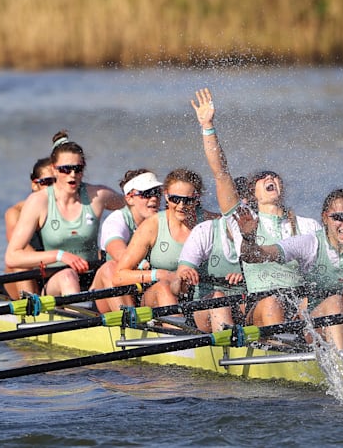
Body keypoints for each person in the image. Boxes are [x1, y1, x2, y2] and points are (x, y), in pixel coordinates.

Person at [191, 87, 320, 328]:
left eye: (274, 175)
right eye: (262, 178)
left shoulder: (308, 225)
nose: (269, 177)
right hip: (261, 306)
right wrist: (208, 127)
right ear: (253, 193)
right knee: (272, 303)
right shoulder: (242, 218)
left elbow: (319, 274)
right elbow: (221, 174)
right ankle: (281, 346)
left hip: (300, 305)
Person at [237, 188, 343, 349]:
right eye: (339, 217)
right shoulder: (310, 243)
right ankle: (341, 360)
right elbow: (254, 256)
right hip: (315, 325)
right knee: (335, 302)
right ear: (325, 218)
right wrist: (248, 238)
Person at [5, 131, 125, 297]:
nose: (72, 175)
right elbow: (12, 257)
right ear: (54, 169)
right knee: (68, 277)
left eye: (77, 169)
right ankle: (76, 312)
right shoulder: (38, 201)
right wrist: (59, 255)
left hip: (92, 277)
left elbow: (133, 205)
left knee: (111, 268)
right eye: (65, 169)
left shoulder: (97, 195)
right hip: (55, 281)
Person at [114, 168, 217, 308]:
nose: (181, 206)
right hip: (156, 297)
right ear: (166, 195)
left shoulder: (212, 222)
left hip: (201, 299)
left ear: (197, 198)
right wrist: (159, 274)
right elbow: (119, 276)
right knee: (164, 287)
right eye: (175, 199)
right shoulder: (153, 225)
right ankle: (175, 321)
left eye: (188, 200)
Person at [176, 177, 249, 333]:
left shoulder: (265, 235)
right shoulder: (205, 231)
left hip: (245, 304)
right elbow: (176, 286)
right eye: (238, 208)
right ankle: (226, 344)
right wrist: (183, 277)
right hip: (206, 308)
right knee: (218, 298)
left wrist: (249, 276)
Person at [89, 169, 163, 313]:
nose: (154, 198)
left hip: (143, 290)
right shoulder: (116, 220)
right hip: (109, 295)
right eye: (146, 193)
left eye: (157, 192)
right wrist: (143, 265)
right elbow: (119, 254)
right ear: (129, 198)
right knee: (110, 267)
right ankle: (130, 321)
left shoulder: (164, 219)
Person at [3, 157, 54, 299]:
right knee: (20, 263)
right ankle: (30, 306)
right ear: (35, 185)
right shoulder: (15, 213)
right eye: (48, 182)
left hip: (58, 271)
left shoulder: (71, 208)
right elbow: (20, 251)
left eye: (57, 182)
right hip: (30, 273)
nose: (53, 188)